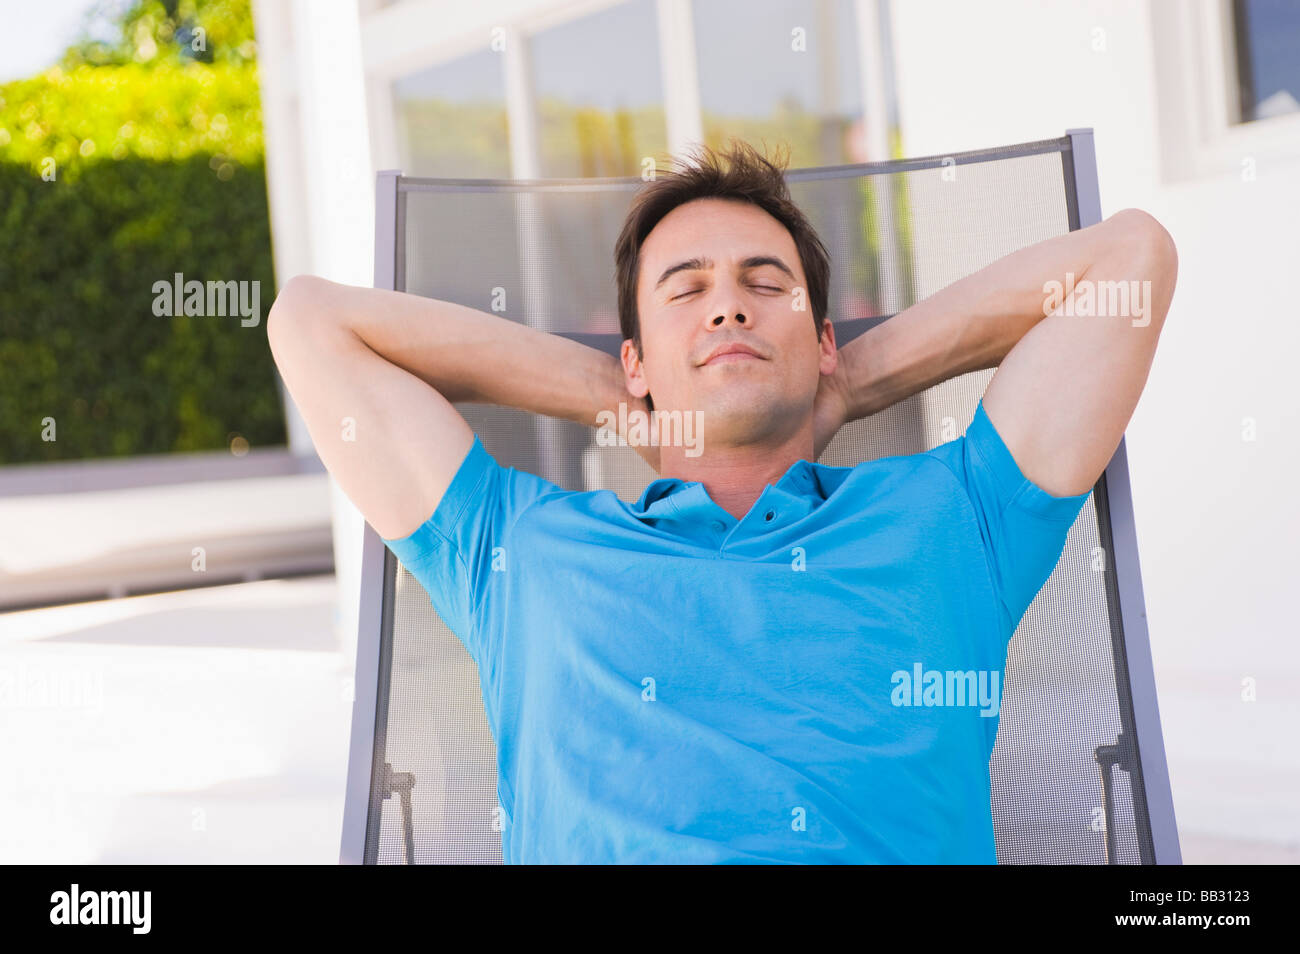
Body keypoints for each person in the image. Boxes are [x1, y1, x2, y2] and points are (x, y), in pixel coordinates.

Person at [267, 139, 1177, 863]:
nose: (730, 308)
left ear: (824, 339)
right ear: (632, 360)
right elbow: (311, 322)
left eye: (766, 284)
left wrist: (850, 379)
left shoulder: (953, 515)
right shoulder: (517, 548)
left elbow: (1131, 259)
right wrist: (617, 395)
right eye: (687, 290)